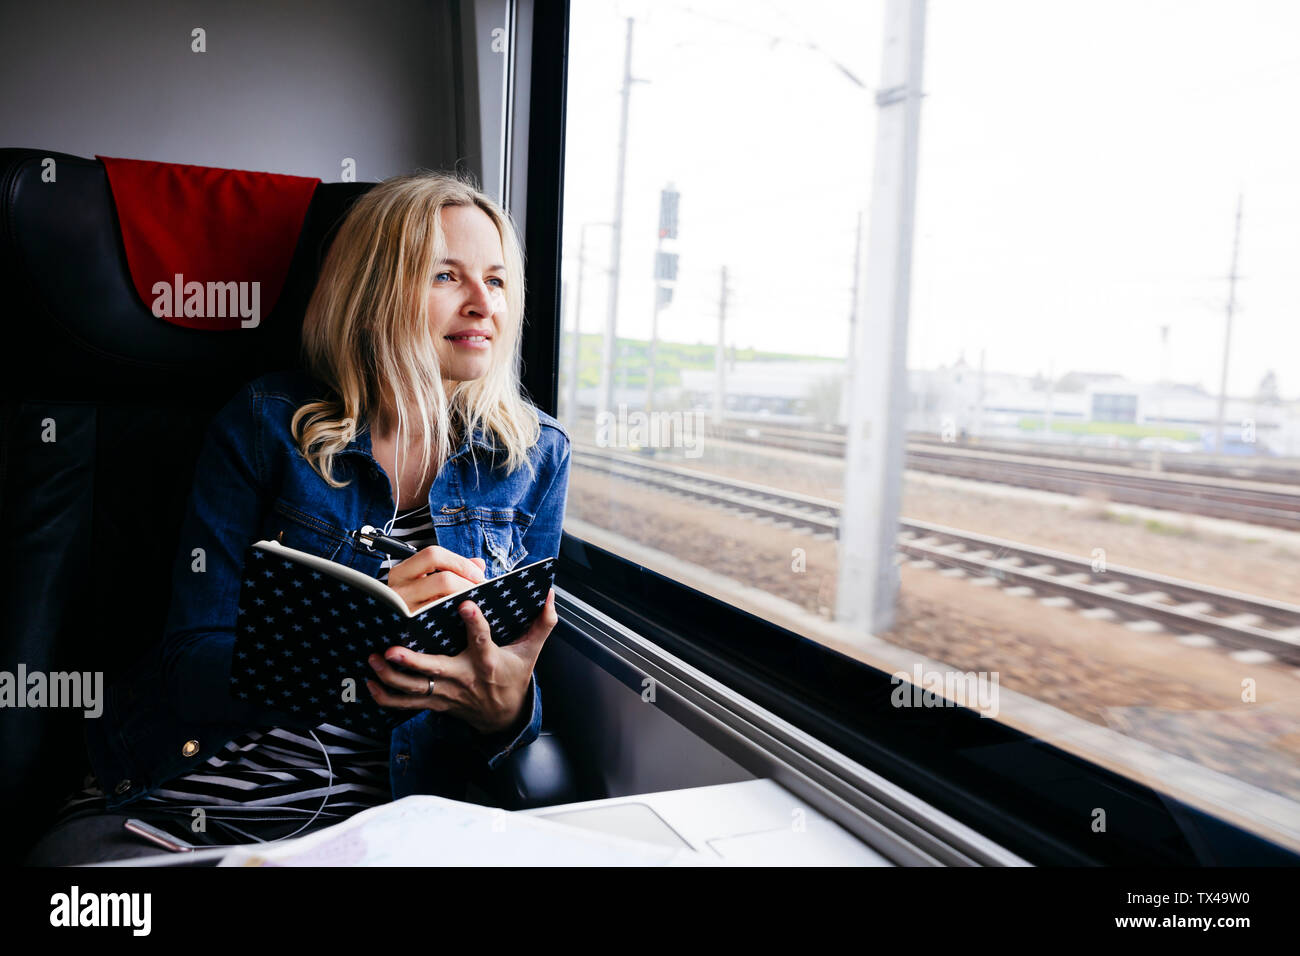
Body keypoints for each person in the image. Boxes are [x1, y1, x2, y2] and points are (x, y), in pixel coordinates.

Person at [24, 171, 572, 865]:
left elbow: (512, 693)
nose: (482, 303)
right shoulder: (266, 426)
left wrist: (509, 714)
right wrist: (352, 630)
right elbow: (189, 664)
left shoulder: (535, 458)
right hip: (189, 804)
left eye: (496, 281)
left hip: (381, 827)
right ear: (373, 295)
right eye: (445, 277)